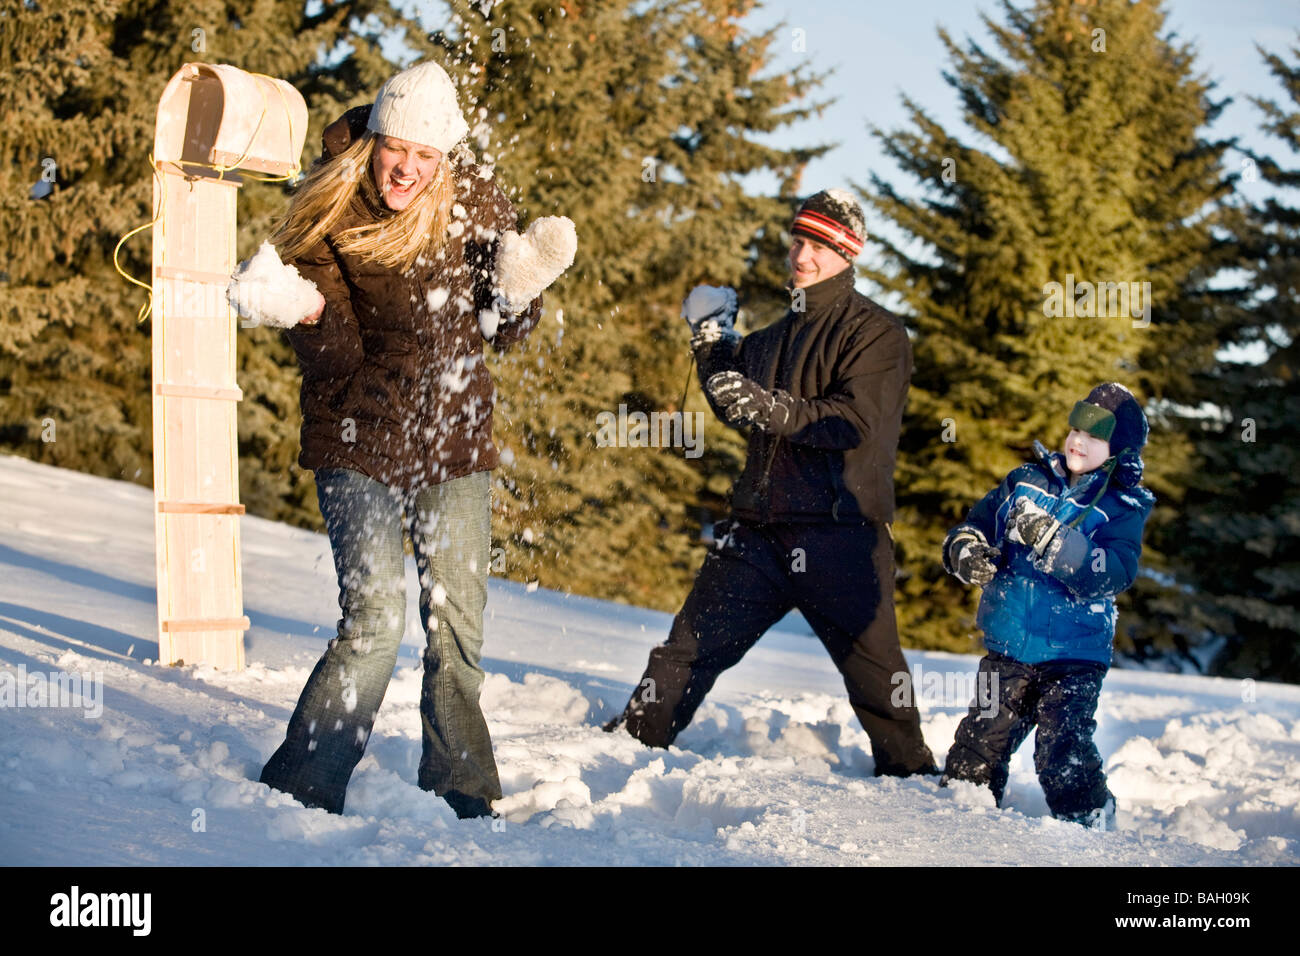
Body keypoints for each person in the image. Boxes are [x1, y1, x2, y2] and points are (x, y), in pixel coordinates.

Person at [244, 61, 573, 818]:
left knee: (456, 620)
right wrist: (301, 309)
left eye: (427, 157)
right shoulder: (331, 208)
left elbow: (503, 333)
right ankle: (301, 788)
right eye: (398, 149)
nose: (409, 169)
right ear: (377, 140)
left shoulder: (476, 199)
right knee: (376, 619)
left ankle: (461, 788)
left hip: (453, 439)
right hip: (357, 431)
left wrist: (518, 291)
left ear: (445, 157)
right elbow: (342, 359)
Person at [604, 190, 939, 777]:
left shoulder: (878, 335)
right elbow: (734, 396)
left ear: (846, 253)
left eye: (818, 246)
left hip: (839, 534)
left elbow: (853, 422)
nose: (802, 256)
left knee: (878, 673)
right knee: (686, 648)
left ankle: (912, 774)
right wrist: (711, 345)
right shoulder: (771, 338)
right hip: (759, 531)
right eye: (799, 240)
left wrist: (767, 406)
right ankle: (629, 742)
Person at [939, 383, 1155, 828]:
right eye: (1076, 428)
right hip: (1010, 646)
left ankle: (1090, 820)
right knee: (979, 743)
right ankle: (957, 822)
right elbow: (976, 526)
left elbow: (1113, 571)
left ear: (1119, 451)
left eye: (1095, 437)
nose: (1078, 440)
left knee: (1063, 751)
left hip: (1073, 657)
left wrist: (1055, 541)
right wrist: (965, 550)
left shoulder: (1121, 507)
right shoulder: (1025, 482)